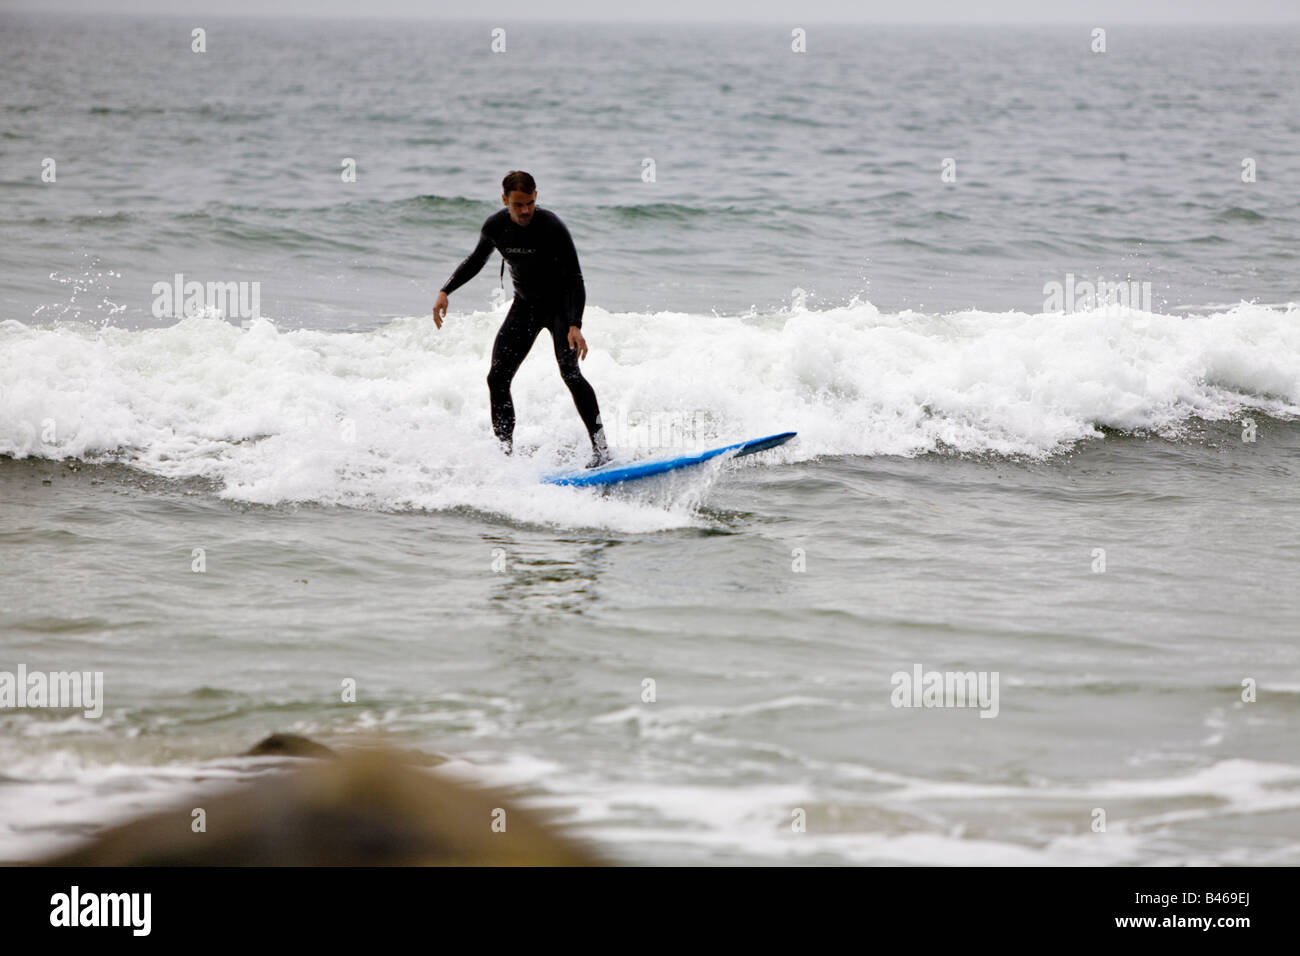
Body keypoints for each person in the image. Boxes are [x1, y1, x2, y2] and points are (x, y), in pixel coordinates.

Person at [433, 170, 611, 468]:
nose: (525, 210)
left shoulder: (552, 226)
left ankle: (602, 451)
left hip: (559, 309)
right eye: (518, 205)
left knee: (571, 374)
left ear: (536, 197)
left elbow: (576, 278)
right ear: (505, 200)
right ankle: (505, 455)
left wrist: (575, 323)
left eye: (529, 202)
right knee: (497, 378)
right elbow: (476, 260)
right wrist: (445, 290)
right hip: (525, 306)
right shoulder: (496, 226)